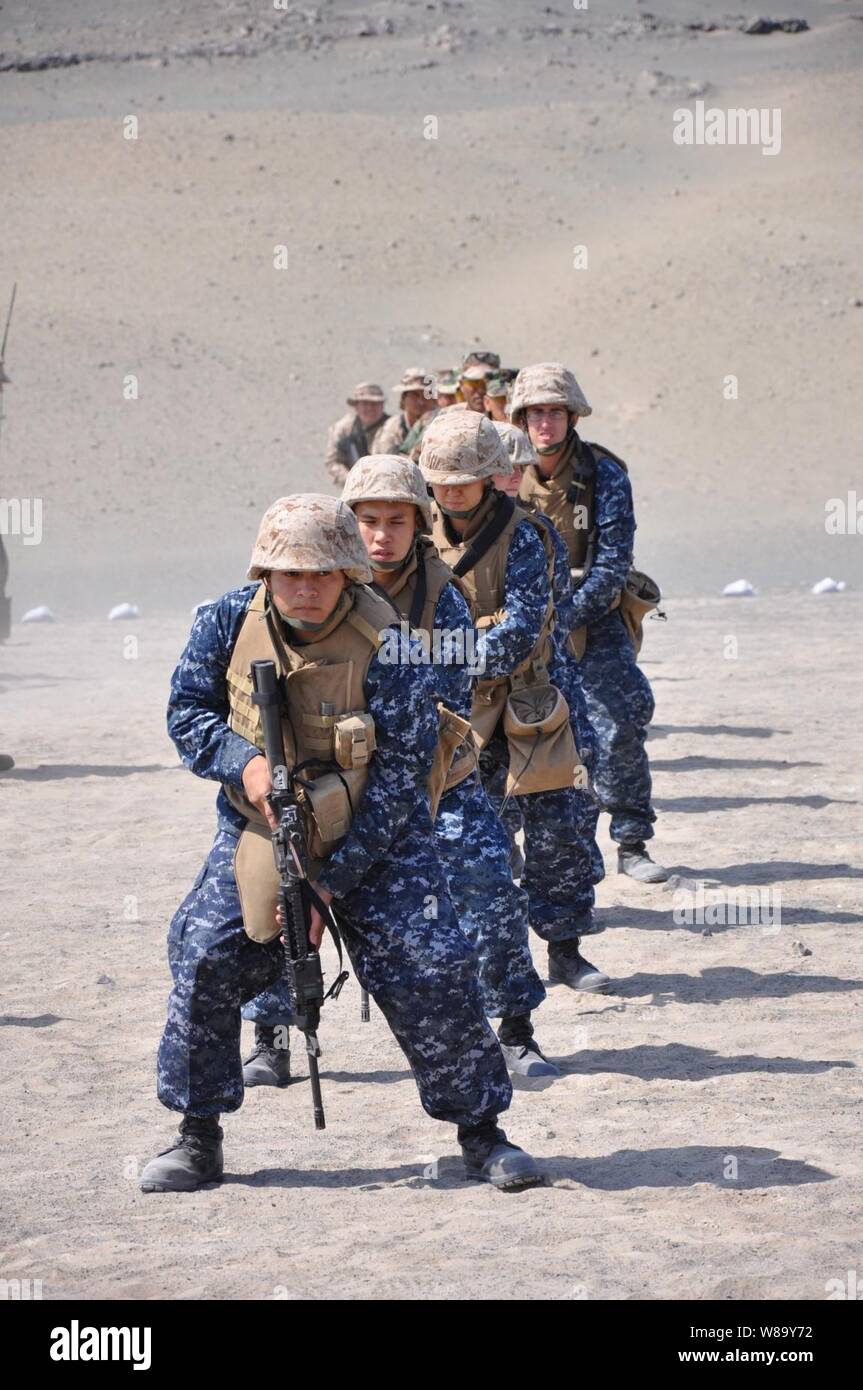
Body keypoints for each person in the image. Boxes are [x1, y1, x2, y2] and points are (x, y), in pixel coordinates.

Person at [140, 494, 542, 1193]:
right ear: (263, 571)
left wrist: (329, 886)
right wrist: (245, 764)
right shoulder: (225, 621)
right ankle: (196, 1134)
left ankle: (481, 1132)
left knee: (433, 966)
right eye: (288, 573)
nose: (304, 587)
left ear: (348, 575)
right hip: (265, 823)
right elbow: (187, 714)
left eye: (321, 574)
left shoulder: (391, 643)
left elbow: (399, 776)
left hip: (376, 833)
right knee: (203, 955)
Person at [342, 454, 555, 1076]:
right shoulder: (315, 584)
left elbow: (444, 697)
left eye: (397, 521)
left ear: (419, 522)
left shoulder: (446, 601)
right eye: (368, 520)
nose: (381, 535)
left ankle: (514, 1028)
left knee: (488, 883)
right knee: (277, 886)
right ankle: (272, 1029)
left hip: (429, 773)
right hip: (332, 774)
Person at [421, 411, 611, 993]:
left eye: (465, 479)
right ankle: (493, 973)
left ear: (489, 478)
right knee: (480, 852)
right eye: (442, 480)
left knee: (561, 832)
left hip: (534, 704)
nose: (452, 491)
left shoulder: (526, 535)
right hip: (462, 717)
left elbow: (521, 631)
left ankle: (566, 948)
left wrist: (443, 652)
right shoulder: (417, 536)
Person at [512, 363, 667, 883]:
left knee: (620, 720)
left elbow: (611, 562)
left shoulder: (602, 473)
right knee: (506, 733)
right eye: (536, 412)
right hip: (524, 625)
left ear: (572, 415)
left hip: (591, 615)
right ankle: (506, 847)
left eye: (555, 411)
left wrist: (567, 617)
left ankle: (631, 839)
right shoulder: (508, 473)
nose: (545, 423)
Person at [324, 383, 388, 486]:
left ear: (382, 405)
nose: (370, 408)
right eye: (365, 403)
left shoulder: (394, 426)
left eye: (374, 403)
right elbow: (333, 462)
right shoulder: (342, 429)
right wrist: (353, 480)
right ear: (356, 406)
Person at [372, 369, 437, 454]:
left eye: (426, 395)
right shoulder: (392, 428)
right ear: (403, 398)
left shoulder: (438, 425)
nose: (421, 401)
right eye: (415, 395)